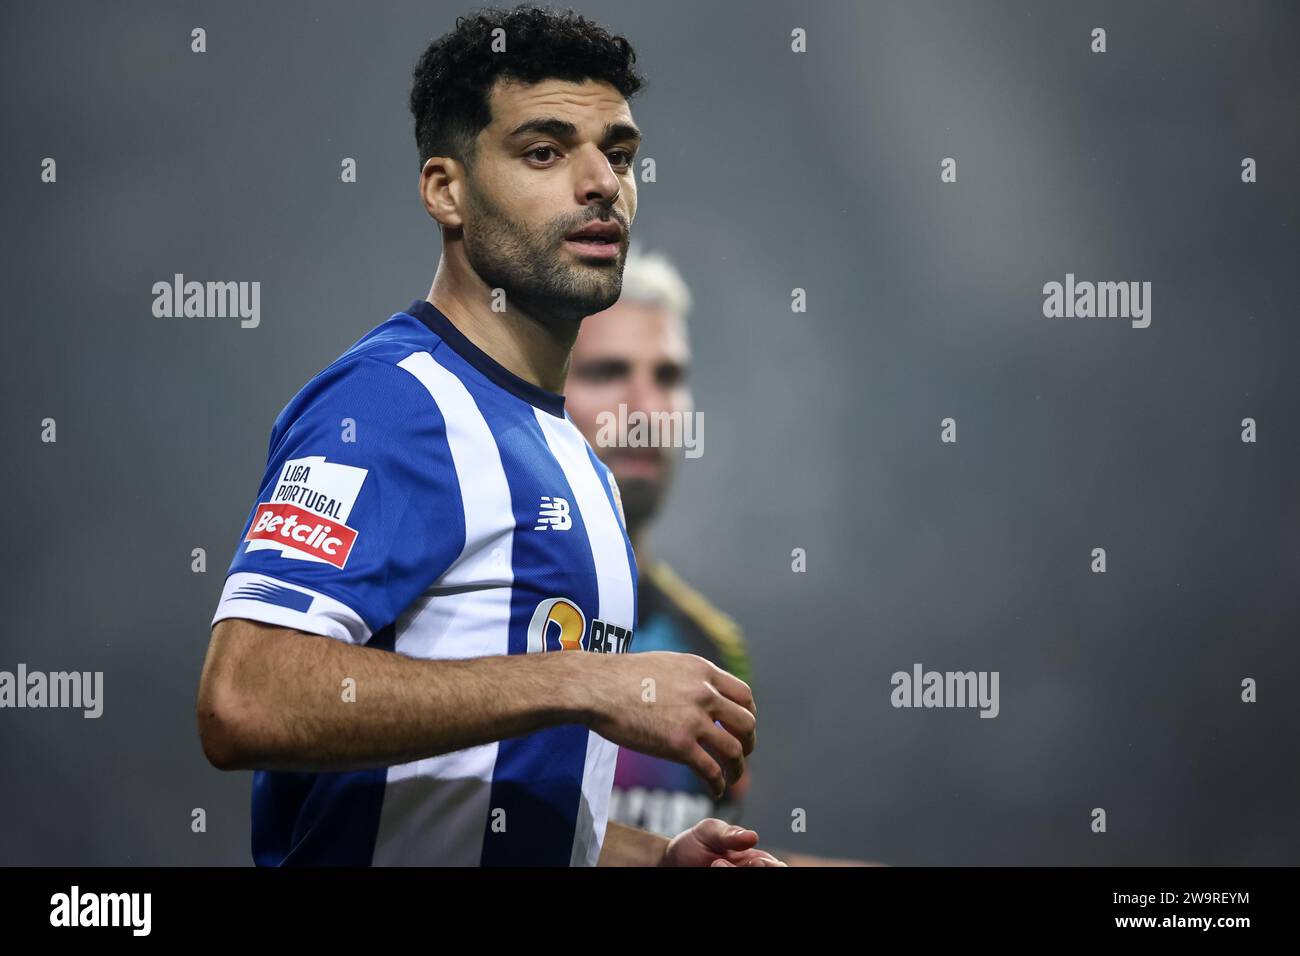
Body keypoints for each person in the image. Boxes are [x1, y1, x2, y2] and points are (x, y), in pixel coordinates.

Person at [195, 5, 781, 868]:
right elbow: (241, 699)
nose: (600, 185)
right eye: (544, 151)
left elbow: (473, 799)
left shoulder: (573, 453)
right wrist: (587, 683)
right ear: (447, 190)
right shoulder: (393, 403)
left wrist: (654, 861)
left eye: (617, 155)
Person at [565, 248, 870, 866]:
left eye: (669, 378)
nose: (645, 410)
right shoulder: (479, 611)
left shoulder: (712, 648)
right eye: (608, 371)